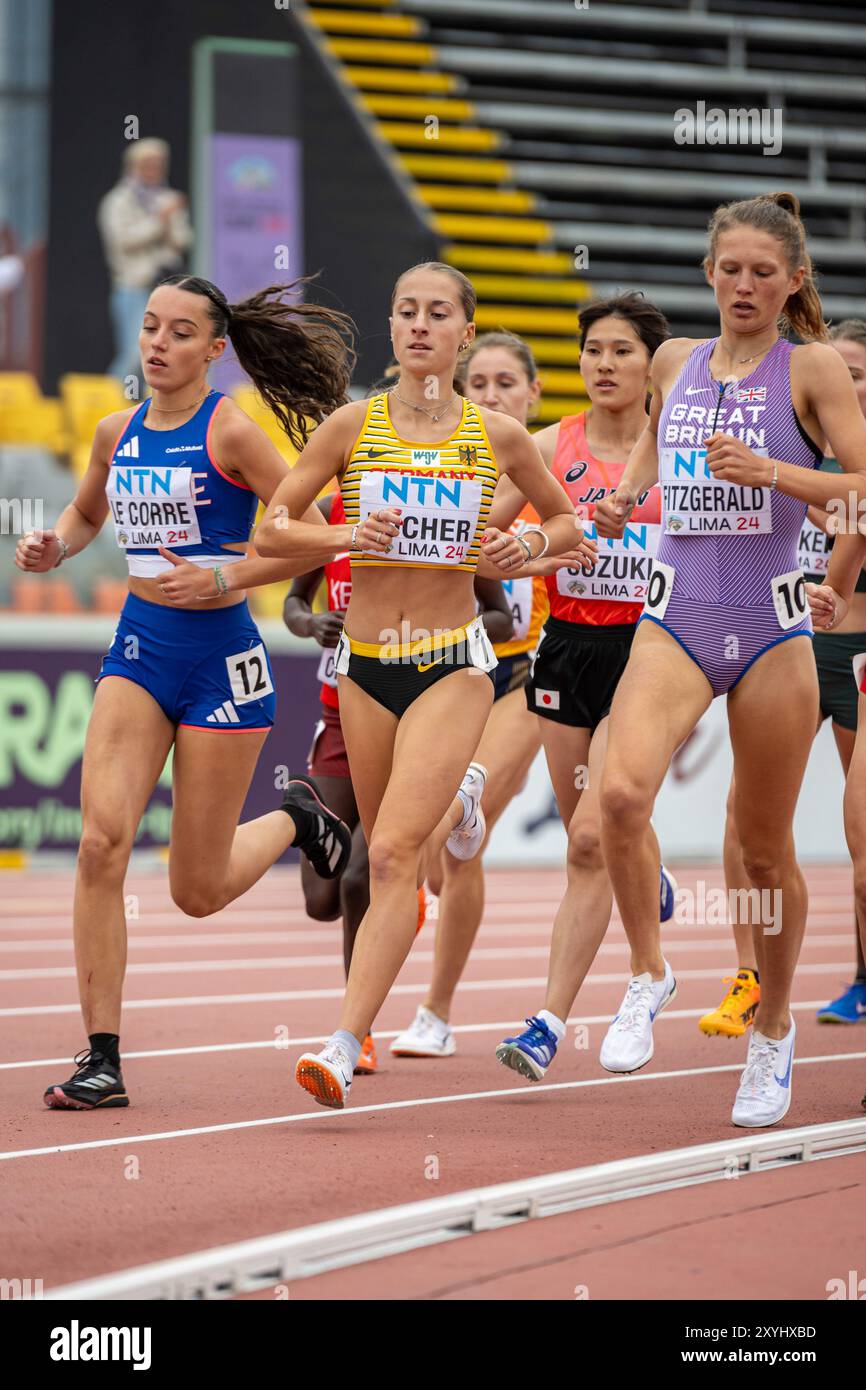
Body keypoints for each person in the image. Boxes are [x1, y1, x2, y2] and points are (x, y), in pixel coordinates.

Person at [255, 260, 595, 1108]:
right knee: (375, 861)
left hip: (451, 664)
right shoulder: (350, 426)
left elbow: (564, 523)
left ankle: (340, 1043)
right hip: (365, 672)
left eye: (437, 313)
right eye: (405, 310)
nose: (418, 325)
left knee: (401, 848)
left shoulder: (498, 436)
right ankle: (360, 1025)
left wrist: (523, 548)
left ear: (463, 332)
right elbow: (276, 523)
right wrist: (341, 540)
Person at [14, 273, 358, 1109]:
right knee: (101, 844)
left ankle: (300, 815)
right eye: (150, 328)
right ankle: (102, 1058)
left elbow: (304, 539)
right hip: (140, 650)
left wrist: (229, 575)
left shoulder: (233, 433)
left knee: (195, 892)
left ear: (214, 349)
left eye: (179, 332)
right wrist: (56, 545)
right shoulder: (113, 430)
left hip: (223, 661)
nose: (158, 344)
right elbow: (88, 516)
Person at [594, 192, 866, 1129]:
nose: (745, 284)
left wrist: (776, 473)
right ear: (709, 271)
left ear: (793, 281)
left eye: (764, 271)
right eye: (730, 268)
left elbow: (863, 489)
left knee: (761, 849)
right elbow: (652, 462)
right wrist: (625, 499)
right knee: (619, 795)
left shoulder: (815, 366)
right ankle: (648, 972)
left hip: (774, 625)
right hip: (679, 614)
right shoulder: (674, 361)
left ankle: (775, 1030)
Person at [480, 298, 677, 1081]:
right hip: (567, 647)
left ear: (652, 366)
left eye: (621, 351)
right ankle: (648, 875)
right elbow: (493, 551)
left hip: (656, 651)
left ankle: (556, 1019)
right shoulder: (546, 445)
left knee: (596, 837)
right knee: (587, 838)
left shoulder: (681, 451)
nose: (602, 364)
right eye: (592, 349)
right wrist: (531, 551)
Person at [284, 484, 514, 1072]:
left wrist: (441, 641)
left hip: (419, 702)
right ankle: (457, 806)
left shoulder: (445, 509)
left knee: (372, 868)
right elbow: (291, 601)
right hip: (342, 711)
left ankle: (352, 1030)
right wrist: (313, 623)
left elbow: (503, 617)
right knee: (321, 898)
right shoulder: (333, 515)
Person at [704, 319, 866, 1039]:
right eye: (841, 371)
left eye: (858, 375)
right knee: (747, 823)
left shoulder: (847, 467)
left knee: (862, 846)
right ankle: (751, 976)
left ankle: (862, 977)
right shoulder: (769, 439)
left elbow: (855, 517)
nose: (846, 384)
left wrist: (832, 579)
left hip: (855, 649)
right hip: (789, 644)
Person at [390, 330, 549, 1057]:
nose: (488, 396)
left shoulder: (545, 464)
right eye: (477, 383)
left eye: (504, 385)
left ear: (532, 395)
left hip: (529, 670)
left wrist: (539, 546)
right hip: (450, 665)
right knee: (432, 842)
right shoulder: (438, 463)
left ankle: (436, 1010)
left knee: (461, 833)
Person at [98, 138, 193, 384]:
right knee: (134, 354)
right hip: (132, 287)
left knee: (165, 356)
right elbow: (124, 241)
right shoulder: (118, 201)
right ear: (133, 166)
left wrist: (170, 220)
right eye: (148, 163)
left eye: (159, 163)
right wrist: (160, 220)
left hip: (166, 289)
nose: (155, 169)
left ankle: (149, 417)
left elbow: (183, 241)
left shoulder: (168, 198)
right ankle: (105, 409)